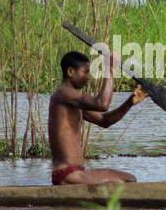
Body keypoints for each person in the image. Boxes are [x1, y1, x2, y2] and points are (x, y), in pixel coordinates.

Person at [48, 50, 148, 185]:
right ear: (70, 72)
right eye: (85, 72)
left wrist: (130, 102)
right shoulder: (63, 94)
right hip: (68, 174)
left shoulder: (71, 100)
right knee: (125, 181)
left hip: (76, 172)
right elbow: (102, 104)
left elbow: (105, 120)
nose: (88, 77)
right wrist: (110, 69)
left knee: (129, 178)